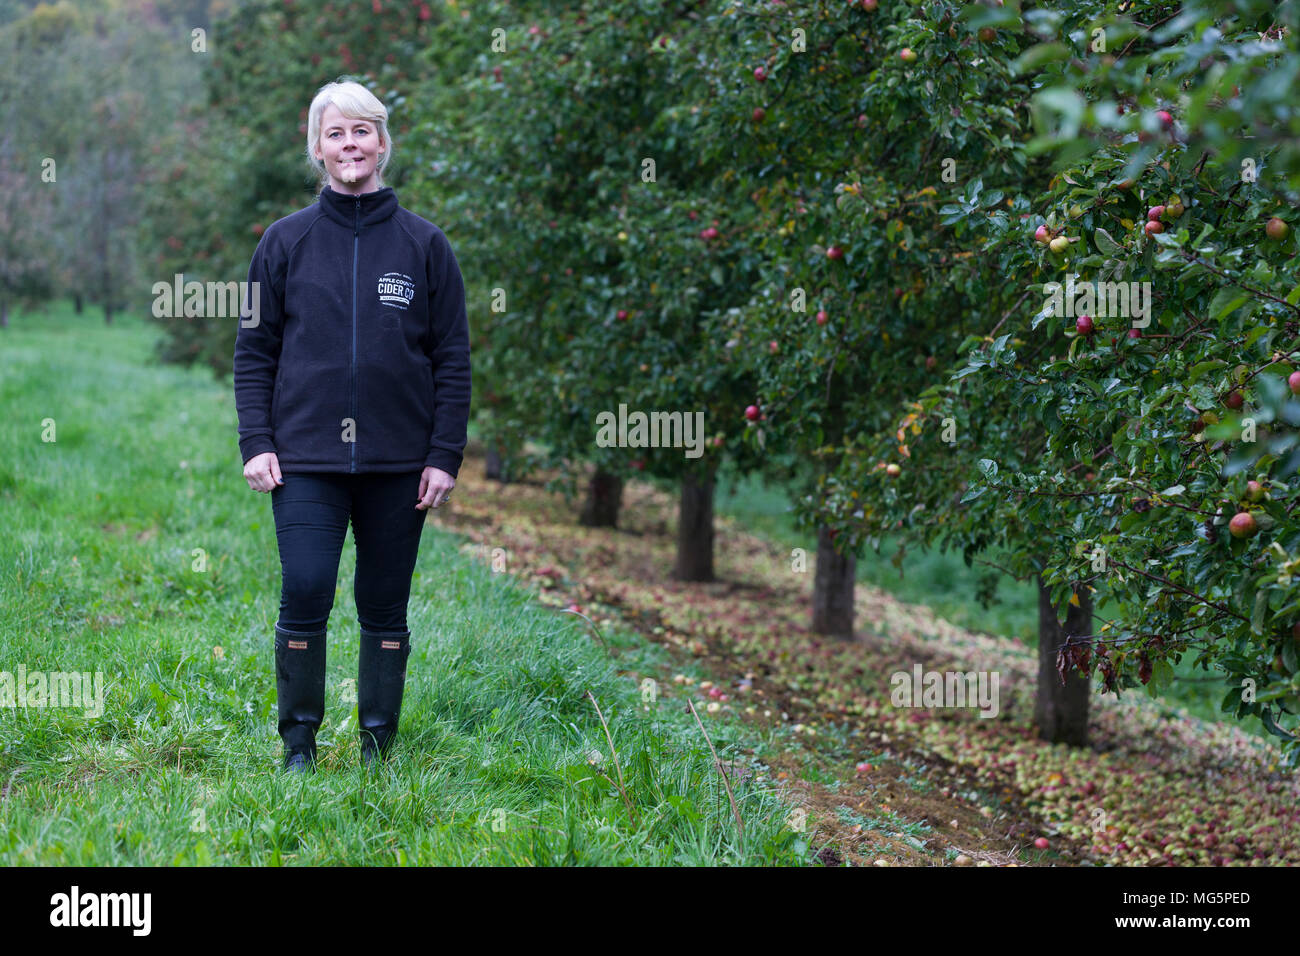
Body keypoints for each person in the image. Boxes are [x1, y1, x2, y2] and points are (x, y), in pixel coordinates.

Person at [233, 79, 471, 773]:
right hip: (305, 459)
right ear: (317, 148)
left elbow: (453, 358)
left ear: (382, 143)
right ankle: (298, 747)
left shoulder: (426, 246)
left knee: (384, 603)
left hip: (400, 464)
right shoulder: (284, 242)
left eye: (361, 131)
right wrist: (257, 441)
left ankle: (377, 748)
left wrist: (444, 454)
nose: (349, 145)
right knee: (307, 586)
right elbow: (253, 350)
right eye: (335, 133)